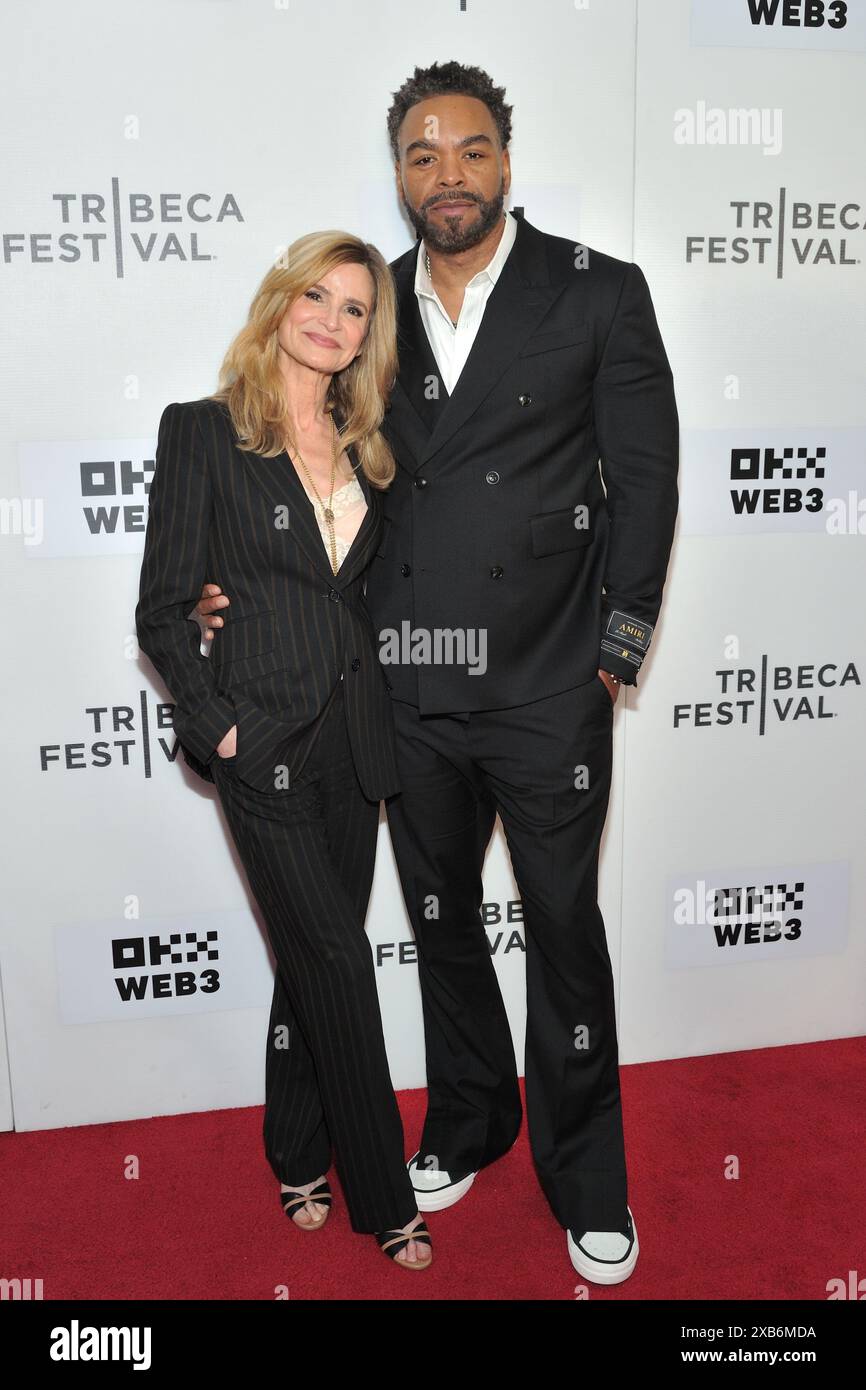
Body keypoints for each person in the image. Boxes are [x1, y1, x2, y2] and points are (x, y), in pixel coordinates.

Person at [196, 59, 679, 1285]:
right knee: (439, 921)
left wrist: (614, 651)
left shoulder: (597, 292)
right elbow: (310, 466)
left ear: (504, 162)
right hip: (407, 677)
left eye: (468, 150)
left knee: (563, 928)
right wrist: (227, 585)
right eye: (420, 154)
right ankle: (467, 1118)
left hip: (548, 680)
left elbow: (646, 478)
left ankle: (587, 1176)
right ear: (399, 174)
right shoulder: (373, 311)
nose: (445, 174)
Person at [135, 231, 432, 1270]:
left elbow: (354, 599)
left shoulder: (368, 448)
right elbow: (165, 609)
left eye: (355, 309)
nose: (333, 320)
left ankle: (295, 1151)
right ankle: (385, 1198)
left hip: (354, 744)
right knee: (342, 962)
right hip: (258, 742)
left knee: (314, 958)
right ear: (280, 301)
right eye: (318, 295)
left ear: (366, 336)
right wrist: (217, 724)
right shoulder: (205, 433)